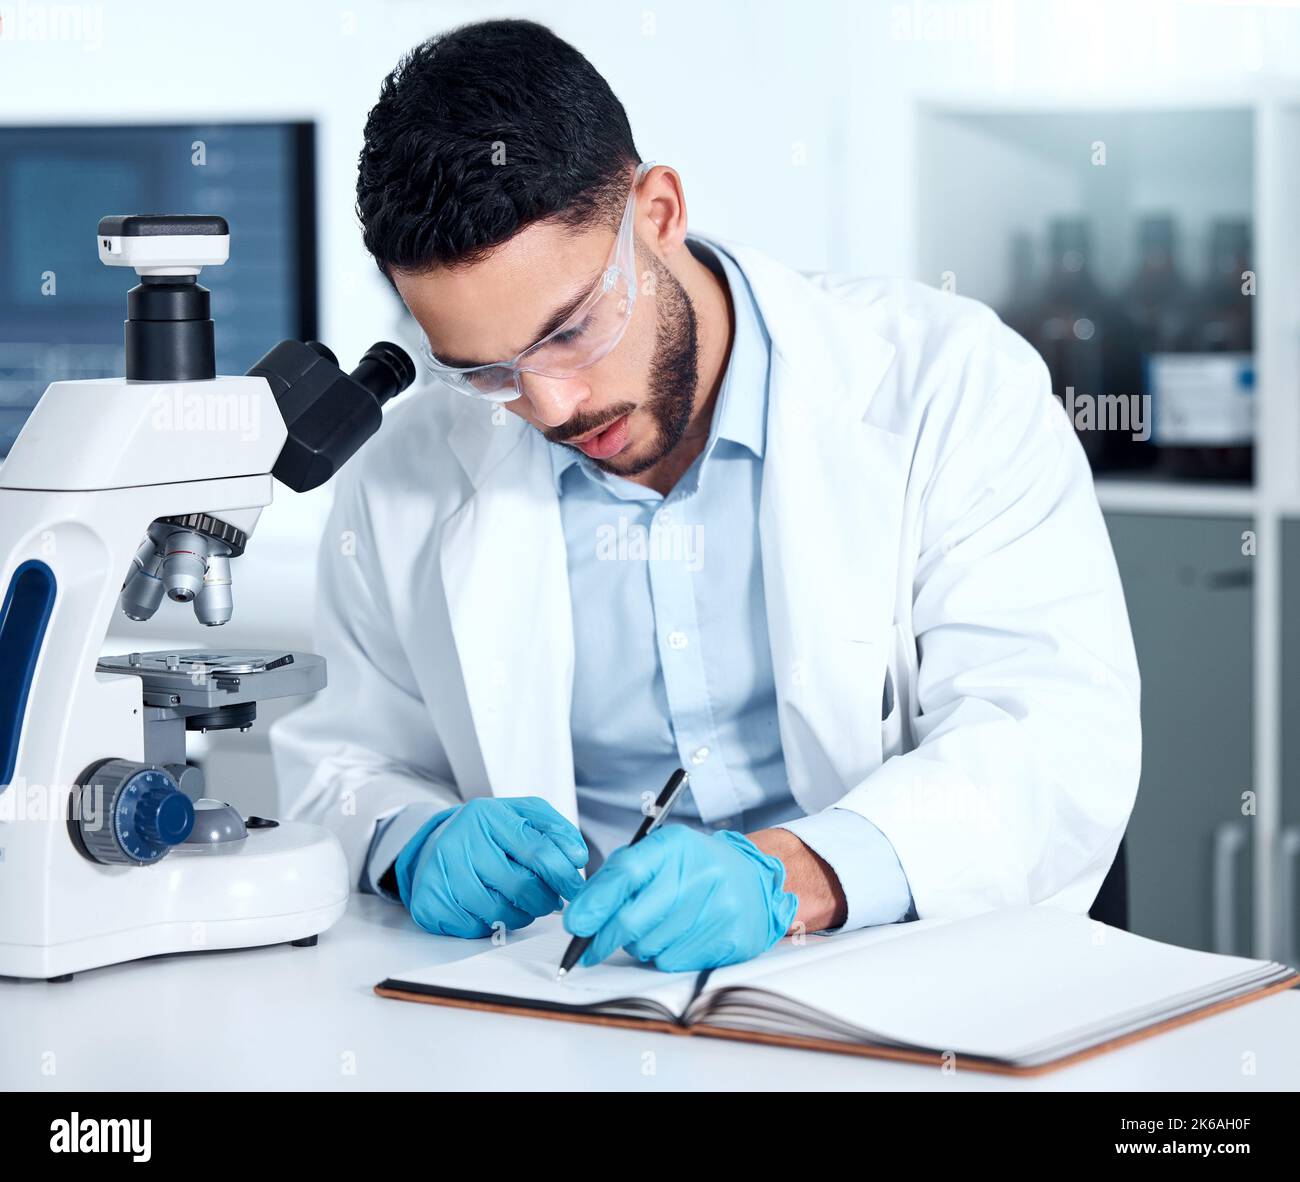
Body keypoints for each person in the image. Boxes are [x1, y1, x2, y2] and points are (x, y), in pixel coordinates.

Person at [271, 18, 1141, 974]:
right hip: (576, 1009)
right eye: (488, 372)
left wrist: (797, 874)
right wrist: (412, 844)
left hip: (907, 990)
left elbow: (1054, 740)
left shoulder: (947, 383)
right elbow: (342, 761)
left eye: (570, 330)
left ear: (658, 213)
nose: (552, 405)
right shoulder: (410, 473)